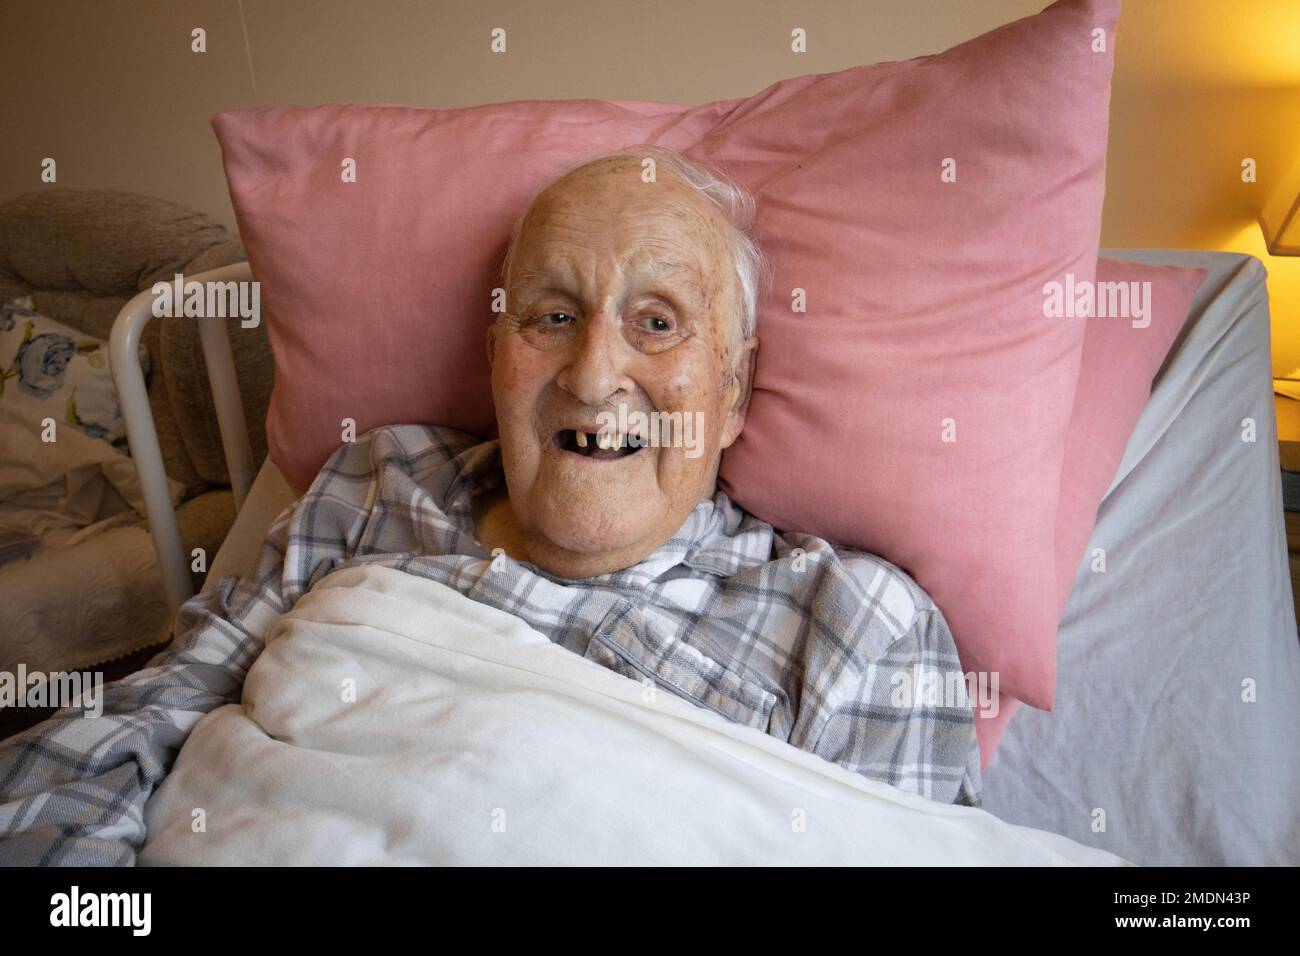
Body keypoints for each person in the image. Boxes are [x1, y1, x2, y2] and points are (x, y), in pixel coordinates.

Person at [0, 146, 981, 865]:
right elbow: (142, 722)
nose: (594, 374)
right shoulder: (375, 484)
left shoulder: (853, 631)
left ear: (730, 390)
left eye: (656, 322)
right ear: (496, 359)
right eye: (551, 315)